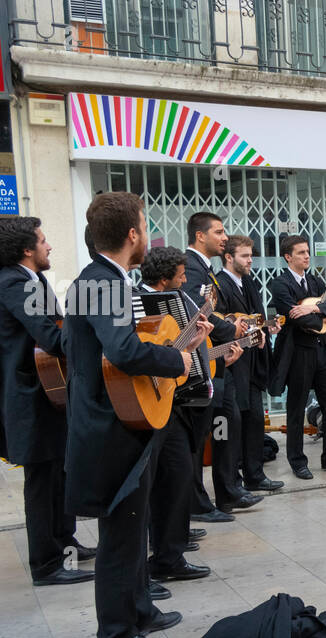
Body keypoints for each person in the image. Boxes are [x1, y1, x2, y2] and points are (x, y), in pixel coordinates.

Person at [64, 191, 208, 638]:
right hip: (111, 428)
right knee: (121, 534)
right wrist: (177, 360)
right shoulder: (101, 282)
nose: (147, 234)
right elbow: (122, 352)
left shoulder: (107, 279)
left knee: (135, 521)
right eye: (144, 226)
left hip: (127, 420)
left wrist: (180, 346)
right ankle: (116, 635)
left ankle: (140, 609)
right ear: (132, 234)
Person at [0, 216, 94, 587]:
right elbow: (50, 336)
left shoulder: (31, 279)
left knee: (59, 473)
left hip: (49, 393)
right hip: (29, 398)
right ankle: (45, 564)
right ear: (26, 249)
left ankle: (65, 541)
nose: (50, 246)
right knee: (41, 480)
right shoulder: (15, 284)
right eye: (44, 241)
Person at [137, 246, 222, 593]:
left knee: (178, 474)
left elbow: (176, 350)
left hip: (176, 399)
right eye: (181, 273)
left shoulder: (178, 299)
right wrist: (183, 352)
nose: (186, 279)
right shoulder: (137, 303)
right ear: (165, 276)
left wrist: (197, 342)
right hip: (149, 401)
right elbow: (147, 350)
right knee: (158, 481)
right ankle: (156, 560)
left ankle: (170, 555)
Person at [267, 235, 326, 479]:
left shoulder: (315, 280)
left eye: (307, 251)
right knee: (296, 408)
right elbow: (296, 317)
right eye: (301, 252)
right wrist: (322, 318)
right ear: (288, 257)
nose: (307, 256)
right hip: (297, 353)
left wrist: (315, 308)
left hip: (322, 350)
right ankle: (297, 461)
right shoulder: (280, 284)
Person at [181, 212, 239, 524]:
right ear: (200, 236)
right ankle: (197, 502)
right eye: (218, 231)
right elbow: (195, 311)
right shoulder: (190, 267)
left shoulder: (206, 268)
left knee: (228, 423)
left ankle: (229, 490)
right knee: (200, 435)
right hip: (199, 361)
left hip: (215, 359)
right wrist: (229, 330)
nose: (225, 237)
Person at [214, 236, 282, 496]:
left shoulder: (249, 282)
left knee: (255, 420)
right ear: (229, 257)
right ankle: (235, 481)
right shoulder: (219, 284)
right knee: (234, 425)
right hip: (232, 363)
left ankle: (256, 475)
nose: (250, 259)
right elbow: (224, 323)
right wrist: (249, 328)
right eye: (244, 255)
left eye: (251, 255)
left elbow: (256, 318)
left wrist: (268, 327)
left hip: (254, 361)